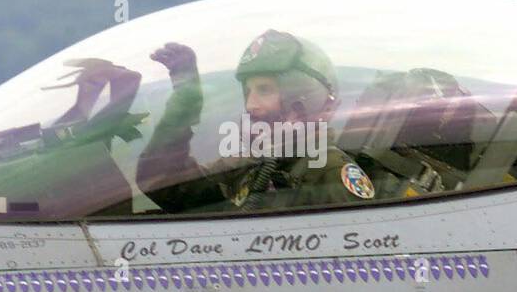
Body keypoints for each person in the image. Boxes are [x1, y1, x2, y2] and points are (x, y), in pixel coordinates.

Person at [135, 29, 375, 213]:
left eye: (264, 90)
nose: (251, 105)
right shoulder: (251, 163)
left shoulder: (328, 171)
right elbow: (166, 185)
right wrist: (184, 102)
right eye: (248, 92)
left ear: (303, 100)